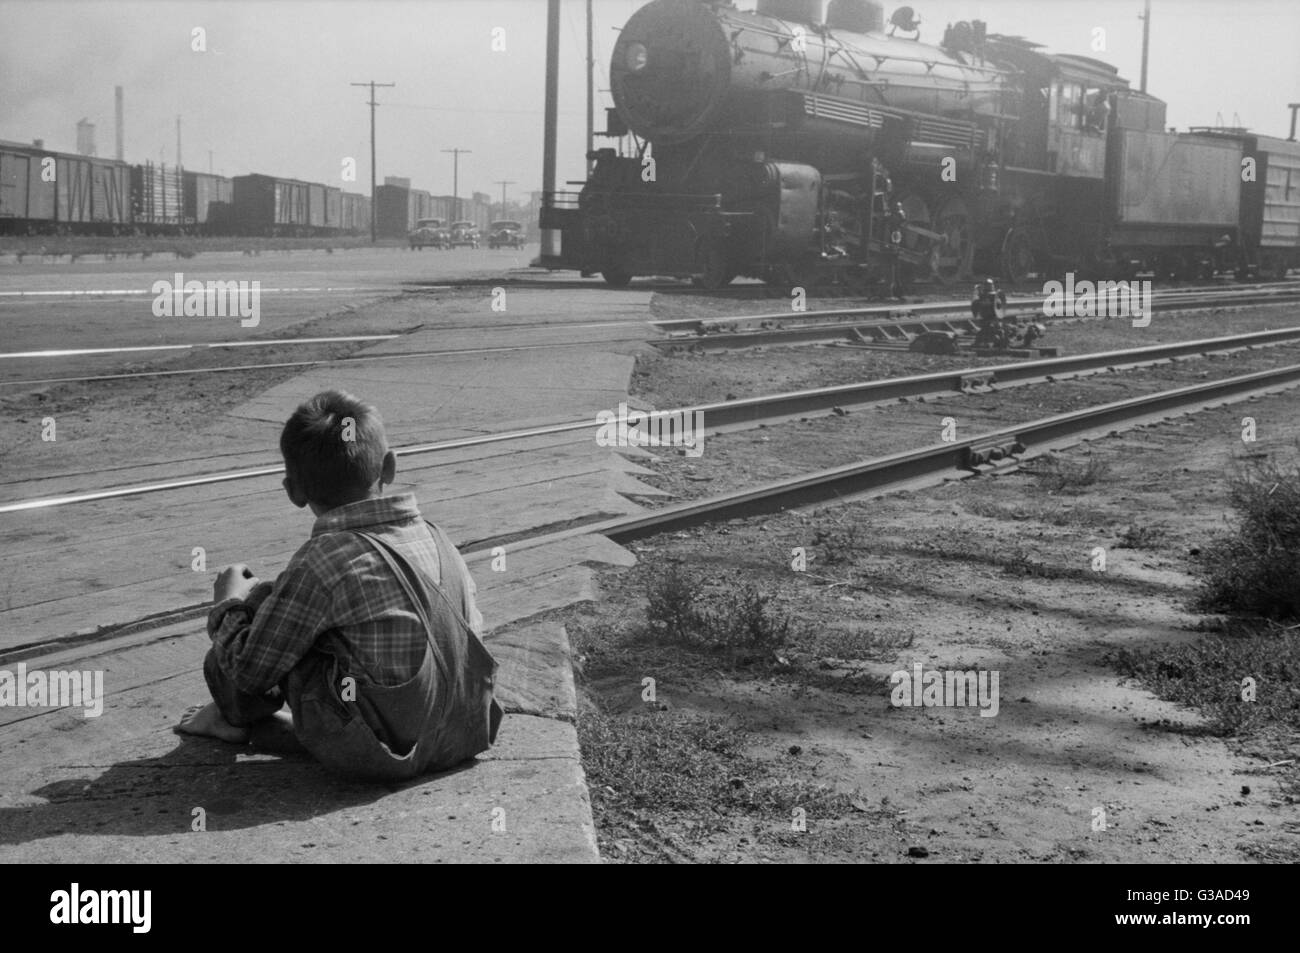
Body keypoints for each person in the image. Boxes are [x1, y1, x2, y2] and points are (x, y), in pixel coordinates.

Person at [176, 390, 501, 779]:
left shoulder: (324, 559)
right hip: (460, 733)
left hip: (383, 755)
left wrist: (228, 605)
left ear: (294, 491)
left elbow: (250, 671)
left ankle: (228, 718)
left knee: (255, 623)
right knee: (290, 602)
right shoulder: (436, 536)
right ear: (390, 467)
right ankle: (281, 728)